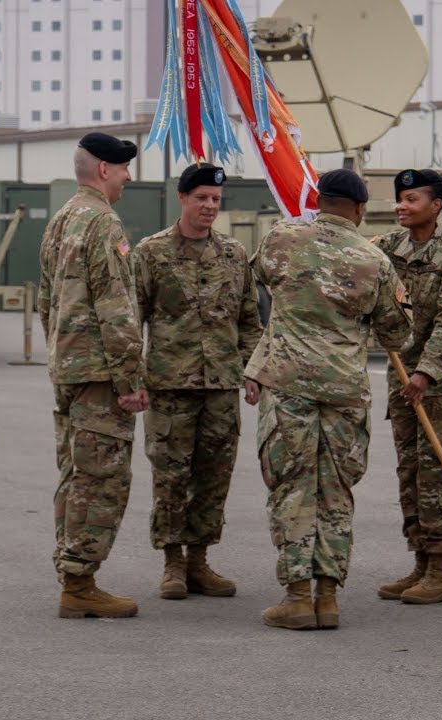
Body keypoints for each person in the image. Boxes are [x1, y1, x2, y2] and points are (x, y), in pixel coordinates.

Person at [245, 169, 411, 630]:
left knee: (293, 488)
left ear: (319, 201)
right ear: (359, 209)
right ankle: (329, 598)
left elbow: (256, 277)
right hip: (344, 390)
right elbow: (397, 332)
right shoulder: (374, 260)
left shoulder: (282, 238)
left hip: (289, 386)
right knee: (335, 491)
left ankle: (297, 597)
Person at [132, 163, 263, 601]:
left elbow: (249, 319)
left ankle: (199, 560)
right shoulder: (151, 253)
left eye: (216, 200)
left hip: (221, 385)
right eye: (202, 198)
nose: (209, 206)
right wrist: (134, 378)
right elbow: (133, 318)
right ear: (183, 198)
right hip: (170, 385)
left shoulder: (234, 254)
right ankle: (172, 562)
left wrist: (253, 370)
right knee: (170, 475)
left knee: (213, 476)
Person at [37, 132, 148, 619]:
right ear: (104, 169)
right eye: (123, 169)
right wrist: (130, 380)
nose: (128, 177)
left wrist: (61, 357)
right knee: (102, 479)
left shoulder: (61, 219)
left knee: (75, 473)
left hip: (69, 368)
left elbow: (46, 300)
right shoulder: (103, 222)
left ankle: (72, 573)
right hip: (100, 374)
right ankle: (80, 583)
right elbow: (116, 308)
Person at [374, 168, 442, 605]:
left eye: (412, 199)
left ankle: (440, 569)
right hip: (402, 377)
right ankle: (419, 561)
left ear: (436, 206)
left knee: (436, 471)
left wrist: (425, 374)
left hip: (441, 384)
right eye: (400, 198)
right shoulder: (386, 249)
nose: (402, 205)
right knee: (410, 472)